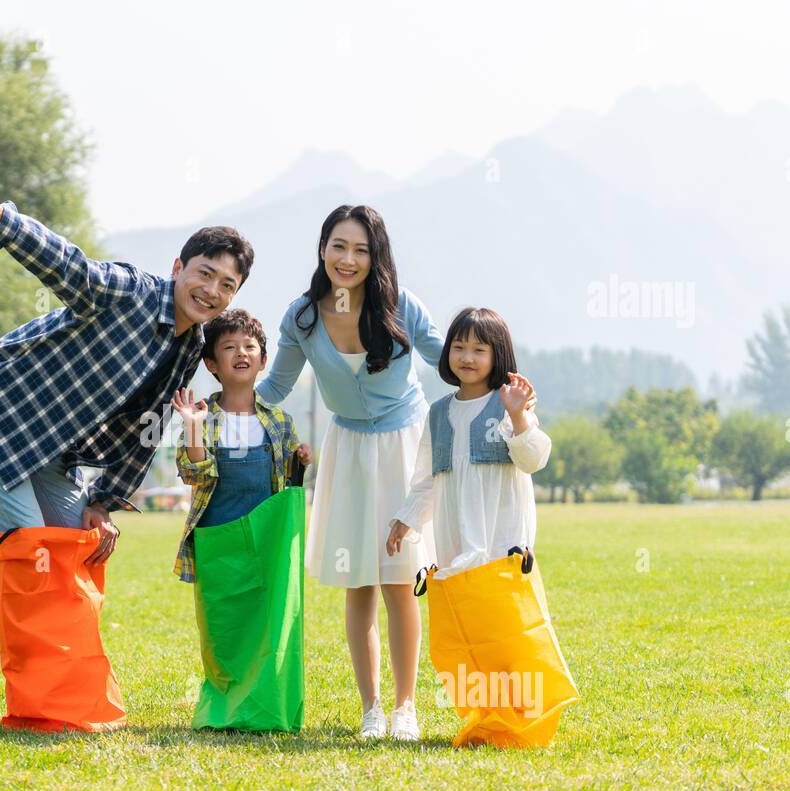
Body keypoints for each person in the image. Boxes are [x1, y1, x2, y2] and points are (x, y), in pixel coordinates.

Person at [0, 159, 255, 560]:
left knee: (83, 546)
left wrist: (104, 503)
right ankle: (34, 619)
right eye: (205, 274)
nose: (211, 290)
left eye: (227, 285)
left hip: (49, 445)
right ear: (178, 268)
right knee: (34, 552)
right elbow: (71, 267)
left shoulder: (190, 346)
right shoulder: (130, 292)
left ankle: (66, 625)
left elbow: (146, 432)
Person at [255, 205, 444, 741]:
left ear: (376, 256)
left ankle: (406, 707)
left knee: (400, 581)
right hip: (348, 450)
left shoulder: (402, 307)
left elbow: (448, 360)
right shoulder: (303, 317)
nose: (348, 259)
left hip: (404, 449)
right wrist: (224, 408)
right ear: (322, 249)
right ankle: (372, 708)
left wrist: (501, 383)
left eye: (361, 249)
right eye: (339, 246)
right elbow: (274, 390)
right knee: (358, 581)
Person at [386, 307, 576, 748]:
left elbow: (534, 459)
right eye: (458, 346)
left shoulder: (509, 403)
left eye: (479, 348)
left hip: (500, 539)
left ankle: (523, 719)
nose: (466, 357)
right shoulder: (438, 413)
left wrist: (519, 417)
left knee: (506, 631)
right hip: (454, 540)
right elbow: (429, 480)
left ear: (498, 354)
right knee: (470, 634)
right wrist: (405, 519)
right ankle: (486, 718)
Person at [172, 309, 312, 732]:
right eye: (229, 347)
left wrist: (301, 464)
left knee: (269, 627)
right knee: (223, 633)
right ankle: (225, 709)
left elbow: (287, 489)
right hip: (219, 542)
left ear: (263, 360)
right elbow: (194, 474)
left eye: (249, 347)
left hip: (267, 545)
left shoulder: (279, 422)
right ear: (212, 363)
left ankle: (266, 706)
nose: (241, 354)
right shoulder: (203, 419)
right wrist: (194, 430)